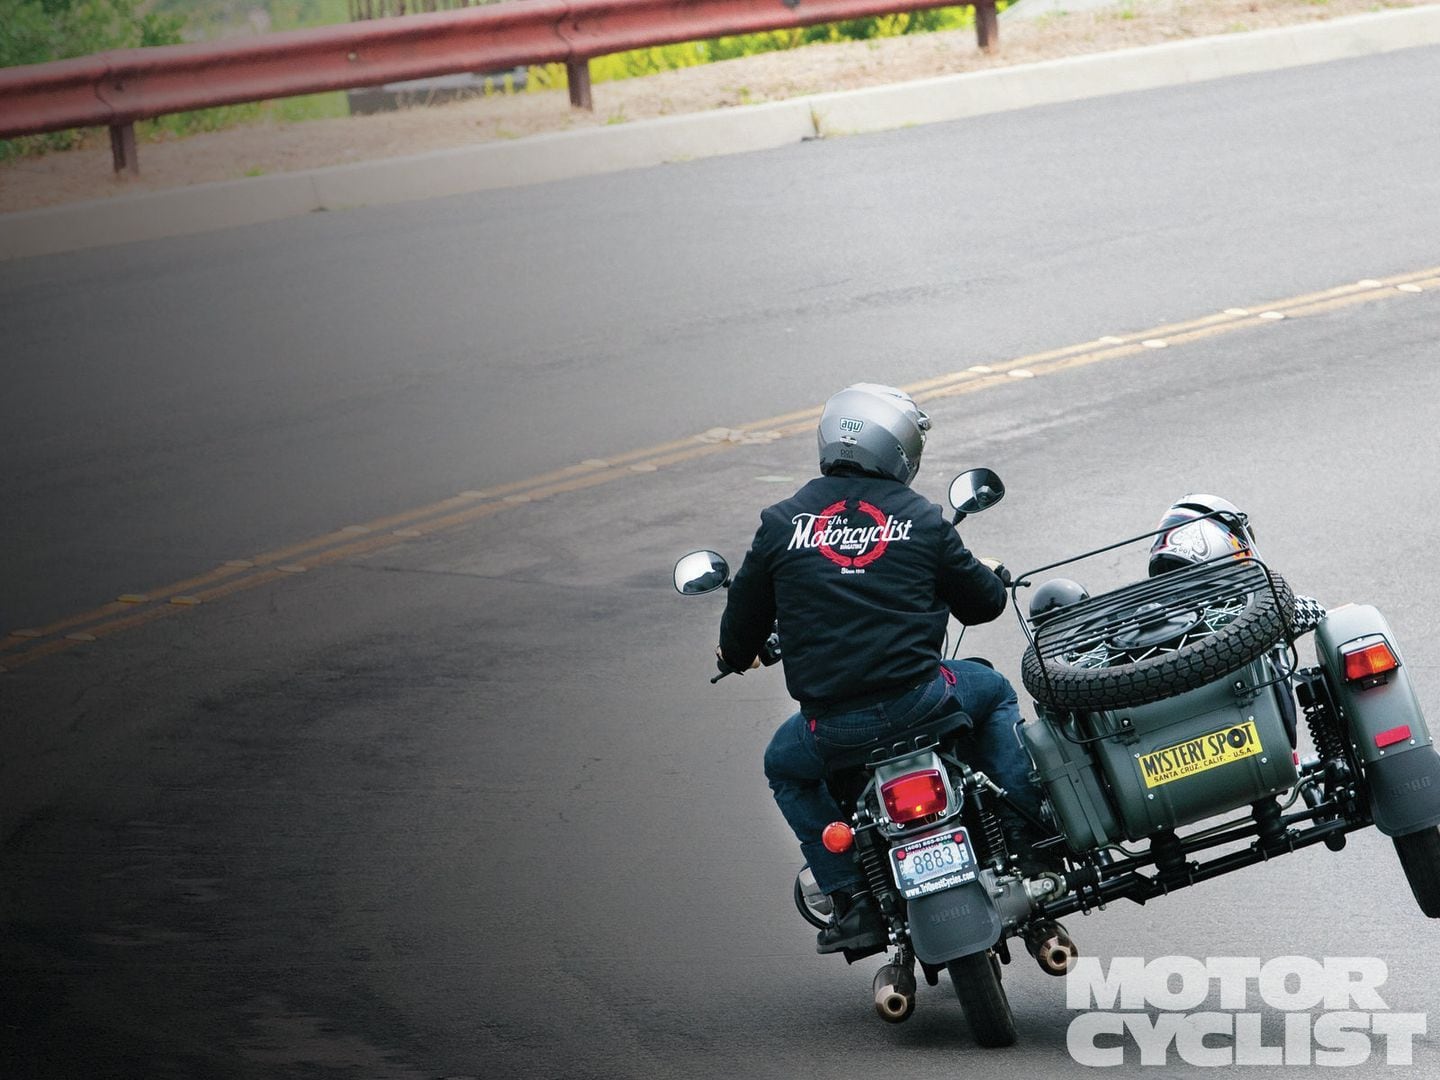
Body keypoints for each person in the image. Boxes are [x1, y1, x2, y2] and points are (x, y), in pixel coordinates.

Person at [715, 383, 1047, 954]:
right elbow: (984, 604)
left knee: (784, 765)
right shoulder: (921, 517)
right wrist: (984, 574)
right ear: (898, 450)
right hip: (921, 701)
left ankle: (848, 896)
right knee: (990, 690)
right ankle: (1029, 828)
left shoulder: (780, 522)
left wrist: (732, 656)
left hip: (833, 727)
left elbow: (740, 628)